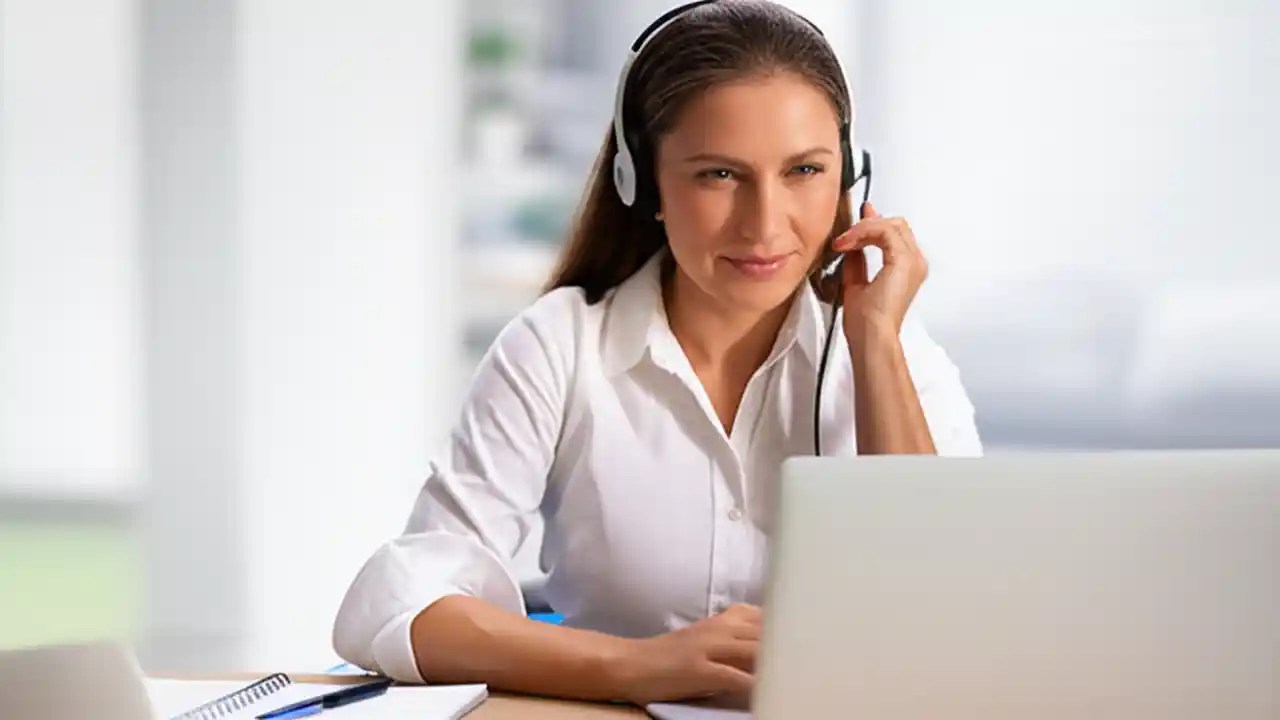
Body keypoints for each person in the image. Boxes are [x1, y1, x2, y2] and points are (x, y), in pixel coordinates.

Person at [333, 0, 980, 705]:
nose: (766, 226)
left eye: (804, 171)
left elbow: (952, 618)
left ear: (850, 179)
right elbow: (401, 609)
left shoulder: (893, 351)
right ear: (641, 183)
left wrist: (876, 342)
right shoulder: (559, 348)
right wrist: (640, 666)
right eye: (719, 175)